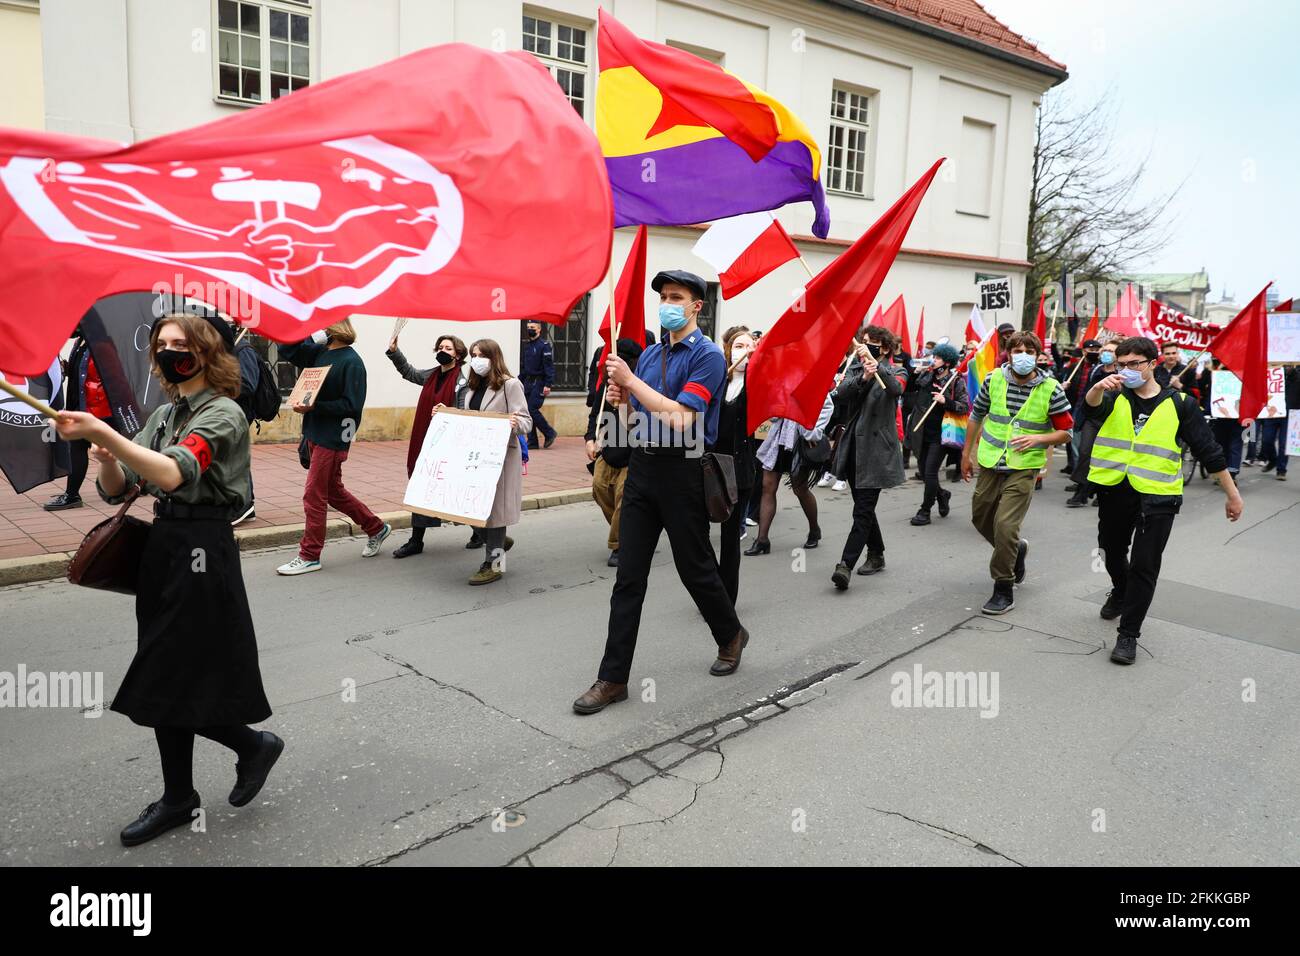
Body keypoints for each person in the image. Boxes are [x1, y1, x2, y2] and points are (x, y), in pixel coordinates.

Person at [55, 311, 281, 847]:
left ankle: (248, 749)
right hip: (164, 547)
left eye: (180, 344)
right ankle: (188, 790)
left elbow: (175, 472)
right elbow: (120, 488)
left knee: (163, 673)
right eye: (161, 345)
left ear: (206, 352)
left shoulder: (223, 413)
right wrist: (107, 458)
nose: (168, 353)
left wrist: (104, 429)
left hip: (204, 548)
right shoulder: (163, 413)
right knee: (170, 674)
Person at [572, 270, 747, 715]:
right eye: (663, 297)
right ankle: (612, 679)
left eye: (676, 297)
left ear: (696, 306)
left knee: (695, 569)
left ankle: (730, 634)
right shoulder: (649, 355)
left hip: (684, 470)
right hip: (643, 468)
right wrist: (622, 401)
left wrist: (631, 384)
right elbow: (635, 423)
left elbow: (683, 420)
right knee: (628, 578)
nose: (667, 303)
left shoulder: (707, 355)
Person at [1085, 337, 1243, 664]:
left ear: (1152, 364)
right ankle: (1120, 591)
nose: (1126, 370)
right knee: (1109, 550)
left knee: (1145, 565)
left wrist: (1232, 494)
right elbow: (1089, 409)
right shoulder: (1113, 395)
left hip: (1159, 497)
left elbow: (1209, 451)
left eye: (1134, 364)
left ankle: (1128, 635)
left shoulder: (1181, 404)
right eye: (1121, 364)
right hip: (1115, 488)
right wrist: (1098, 386)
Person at [961, 331, 1073, 614]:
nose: (1023, 355)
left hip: (1024, 467)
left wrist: (1039, 439)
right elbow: (976, 415)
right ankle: (1015, 549)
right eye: (1017, 350)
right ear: (1008, 354)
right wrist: (966, 454)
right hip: (990, 460)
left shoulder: (1051, 388)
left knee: (1005, 526)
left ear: (1038, 356)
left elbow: (1066, 432)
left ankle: (1003, 586)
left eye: (1029, 351)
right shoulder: (993, 379)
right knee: (980, 517)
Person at [275, 319, 391, 575]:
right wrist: (307, 336)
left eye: (321, 322)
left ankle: (309, 555)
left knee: (314, 495)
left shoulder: (352, 362)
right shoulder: (319, 351)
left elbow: (351, 405)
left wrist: (316, 407)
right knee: (333, 491)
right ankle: (376, 527)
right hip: (314, 431)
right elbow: (286, 349)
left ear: (335, 327)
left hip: (333, 436)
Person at [447, 339, 532, 585]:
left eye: (482, 354)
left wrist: (516, 422)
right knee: (467, 508)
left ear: (494, 358)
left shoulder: (510, 385)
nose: (476, 359)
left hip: (501, 458)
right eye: (473, 354)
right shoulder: (471, 387)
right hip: (476, 457)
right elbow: (468, 419)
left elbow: (527, 421)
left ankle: (493, 564)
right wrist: (447, 413)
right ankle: (498, 541)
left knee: (494, 513)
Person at [830, 325, 906, 588]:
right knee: (863, 506)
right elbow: (839, 395)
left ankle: (845, 565)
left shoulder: (895, 368)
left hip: (877, 452)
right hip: (853, 448)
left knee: (862, 511)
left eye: (871, 343)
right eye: (863, 342)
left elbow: (896, 389)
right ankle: (877, 552)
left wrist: (877, 367)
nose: (864, 346)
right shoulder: (854, 367)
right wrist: (863, 376)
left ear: (884, 347)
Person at [385, 331, 468, 558]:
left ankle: (481, 532)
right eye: (440, 347)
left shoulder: (463, 380)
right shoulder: (432, 374)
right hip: (426, 440)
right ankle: (416, 540)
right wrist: (394, 353)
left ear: (458, 354)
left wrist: (447, 412)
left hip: (449, 444)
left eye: (448, 348)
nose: (443, 351)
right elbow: (409, 373)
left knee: (452, 489)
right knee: (422, 486)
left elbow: (465, 411)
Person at [745, 389, 833, 556]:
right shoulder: (783, 380)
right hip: (778, 438)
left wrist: (812, 430)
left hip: (800, 440)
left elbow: (827, 406)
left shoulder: (814, 382)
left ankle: (814, 529)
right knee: (767, 487)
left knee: (800, 489)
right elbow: (773, 411)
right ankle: (762, 540)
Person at [585, 337, 645, 568]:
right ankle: (633, 532)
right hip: (609, 450)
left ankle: (619, 545)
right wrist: (590, 439)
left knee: (624, 498)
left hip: (634, 451)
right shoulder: (606, 385)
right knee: (600, 490)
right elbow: (595, 416)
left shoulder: (640, 386)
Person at [44, 327, 114, 512]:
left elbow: (113, 374)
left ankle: (72, 495)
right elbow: (83, 371)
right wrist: (68, 368)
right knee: (79, 448)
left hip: (97, 407)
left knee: (80, 447)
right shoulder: (81, 341)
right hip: (81, 404)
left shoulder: (101, 342)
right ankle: (72, 494)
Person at [714, 326, 758, 605]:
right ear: (729, 350)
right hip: (711, 466)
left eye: (748, 346)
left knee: (730, 537)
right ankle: (710, 586)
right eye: (738, 346)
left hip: (739, 469)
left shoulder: (757, 385)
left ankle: (725, 597)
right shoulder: (718, 381)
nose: (744, 351)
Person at [908, 343, 968, 526]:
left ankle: (925, 510)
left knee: (931, 472)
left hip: (941, 434)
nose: (933, 360)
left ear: (947, 362)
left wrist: (946, 401)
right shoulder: (927, 374)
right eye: (933, 357)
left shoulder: (956, 381)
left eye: (938, 358)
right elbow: (909, 389)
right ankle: (942, 494)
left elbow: (964, 406)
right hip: (921, 430)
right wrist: (915, 374)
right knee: (925, 473)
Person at [521, 319, 556, 450]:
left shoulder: (544, 345)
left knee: (532, 409)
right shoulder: (527, 346)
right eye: (528, 327)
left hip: (540, 382)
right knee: (526, 411)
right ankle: (533, 441)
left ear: (539, 329)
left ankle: (549, 432)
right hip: (528, 382)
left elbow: (549, 367)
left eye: (533, 327)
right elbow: (524, 368)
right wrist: (517, 382)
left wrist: (548, 384)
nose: (530, 329)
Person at [1259, 366, 1299, 480]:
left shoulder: (1297, 378)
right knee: (1266, 440)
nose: (1287, 367)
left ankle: (1281, 470)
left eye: (1289, 365)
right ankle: (1273, 460)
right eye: (1285, 365)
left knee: (1283, 444)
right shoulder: (1272, 375)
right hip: (1273, 413)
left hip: (1289, 415)